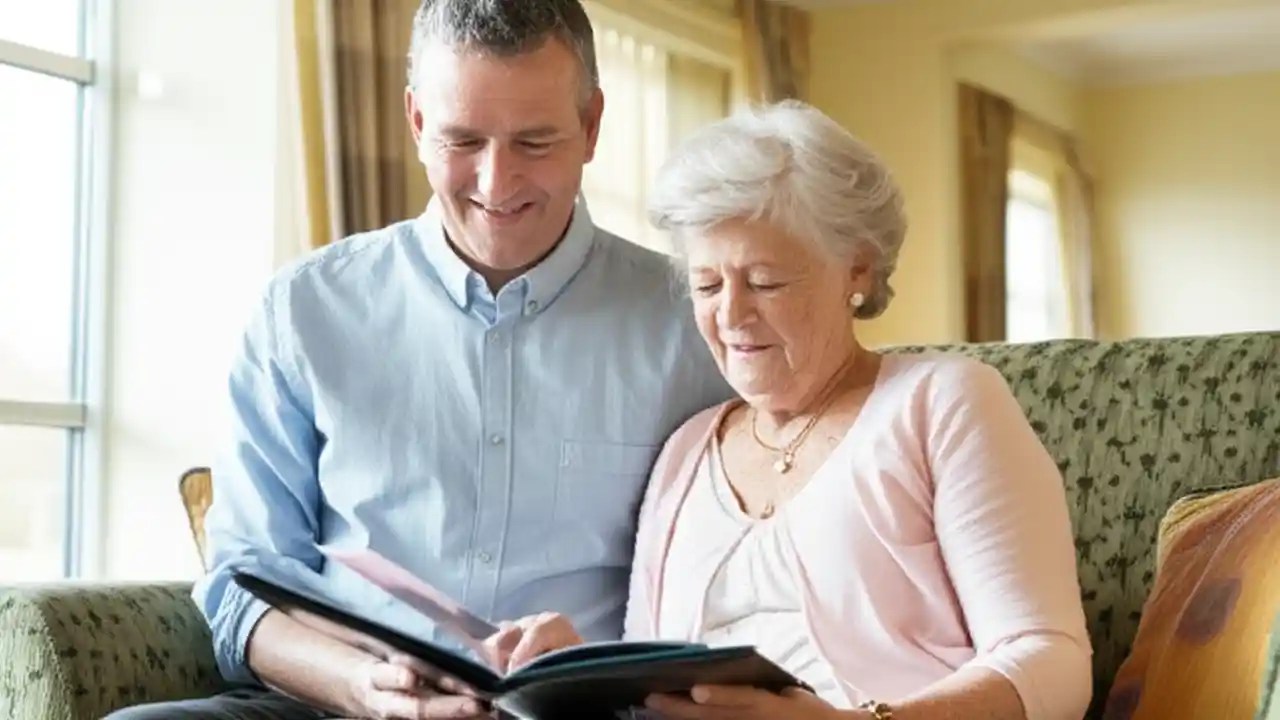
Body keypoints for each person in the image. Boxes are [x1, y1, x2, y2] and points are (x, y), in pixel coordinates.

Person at [106, 1, 730, 719]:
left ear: (591, 126)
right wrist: (359, 687)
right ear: (415, 123)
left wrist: (602, 664)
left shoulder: (697, 324)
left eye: (533, 143)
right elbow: (245, 586)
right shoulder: (303, 311)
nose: (496, 185)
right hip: (343, 705)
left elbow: (739, 589)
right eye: (463, 140)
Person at [489, 101, 1094, 720]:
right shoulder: (686, 451)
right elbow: (656, 687)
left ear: (855, 268)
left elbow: (1050, 662)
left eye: (766, 281)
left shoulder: (941, 405)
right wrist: (580, 670)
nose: (730, 315)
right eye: (706, 285)